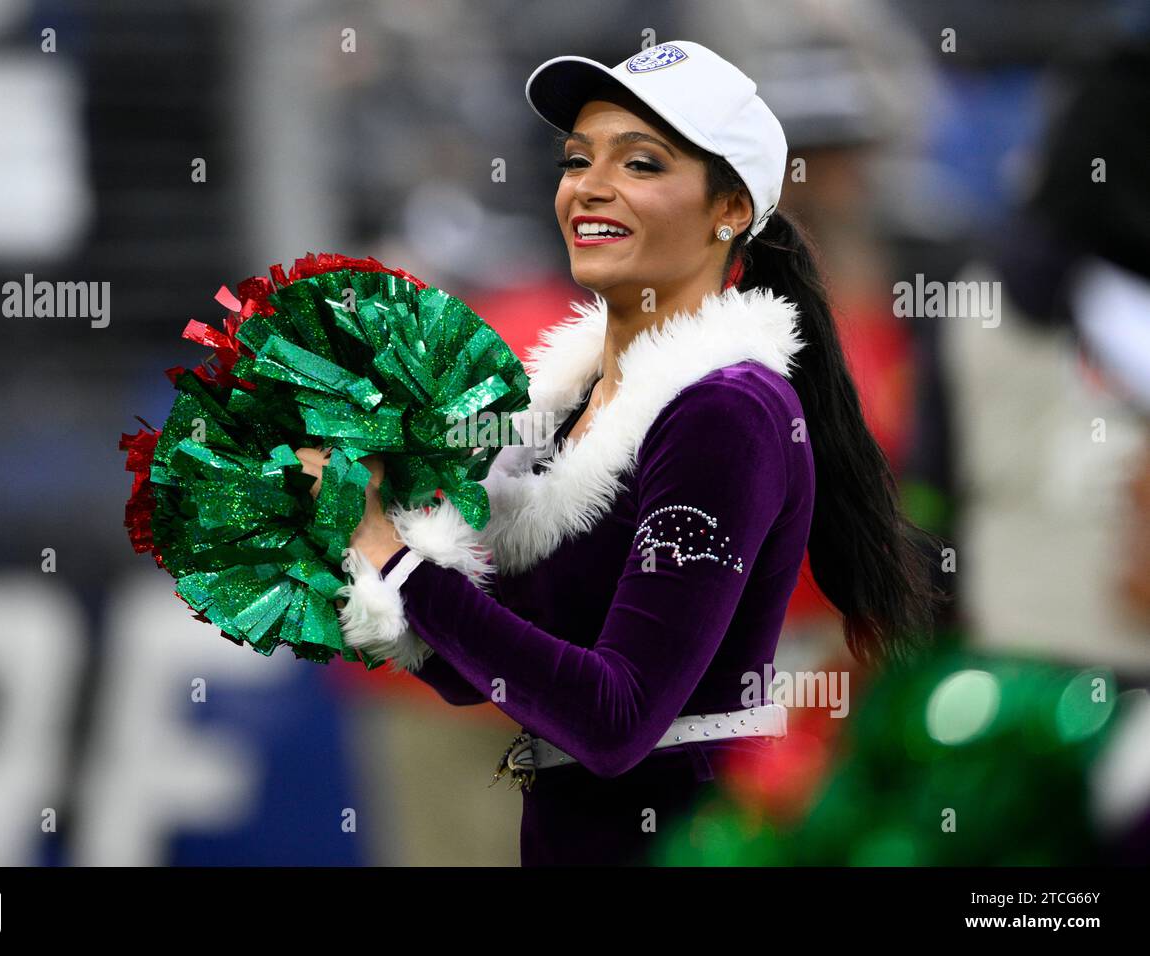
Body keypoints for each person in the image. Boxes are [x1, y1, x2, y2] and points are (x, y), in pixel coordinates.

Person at [303, 40, 941, 866]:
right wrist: (357, 552)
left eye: (641, 163)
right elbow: (494, 659)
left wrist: (392, 555)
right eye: (578, 159)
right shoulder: (579, 394)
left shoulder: (726, 409)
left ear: (731, 208)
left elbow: (614, 719)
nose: (591, 186)